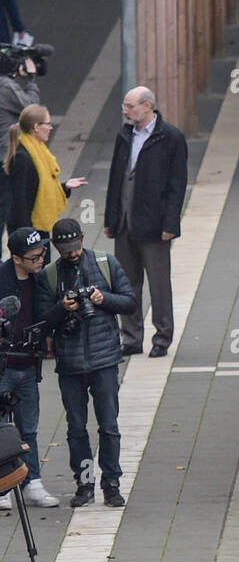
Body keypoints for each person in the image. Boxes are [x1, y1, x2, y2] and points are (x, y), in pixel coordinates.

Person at [34, 218, 136, 508]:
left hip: (104, 360)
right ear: (56, 247)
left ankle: (112, 483)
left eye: (75, 247)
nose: (72, 253)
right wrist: (61, 308)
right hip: (70, 364)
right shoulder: (50, 276)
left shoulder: (106, 263)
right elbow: (42, 322)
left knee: (109, 425)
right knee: (76, 427)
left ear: (82, 239)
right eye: (65, 249)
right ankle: (85, 484)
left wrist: (103, 299)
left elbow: (130, 302)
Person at [104, 86, 187, 359]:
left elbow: (177, 185)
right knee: (127, 283)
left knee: (159, 283)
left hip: (154, 226)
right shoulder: (124, 135)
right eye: (125, 106)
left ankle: (162, 337)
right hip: (124, 223)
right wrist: (110, 218)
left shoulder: (170, 137)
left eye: (130, 106)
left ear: (147, 106)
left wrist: (170, 224)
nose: (126, 111)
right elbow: (115, 178)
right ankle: (131, 337)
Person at [0, 226, 58, 510]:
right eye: (34, 256)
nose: (40, 260)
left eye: (42, 253)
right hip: (3, 365)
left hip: (28, 365)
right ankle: (2, 486)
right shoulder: (2, 280)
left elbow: (46, 316)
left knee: (29, 428)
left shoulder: (40, 280)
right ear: (16, 258)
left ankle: (32, 481)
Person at [5, 104, 86, 239]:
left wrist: (64, 187)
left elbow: (39, 190)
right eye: (47, 124)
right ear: (36, 127)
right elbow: (19, 202)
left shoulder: (39, 151)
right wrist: (28, 236)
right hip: (29, 233)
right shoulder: (22, 158)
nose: (50, 127)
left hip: (37, 230)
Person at [0, 48, 41, 242]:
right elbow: (31, 109)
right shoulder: (6, 87)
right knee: (11, 211)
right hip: (5, 161)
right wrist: (31, 80)